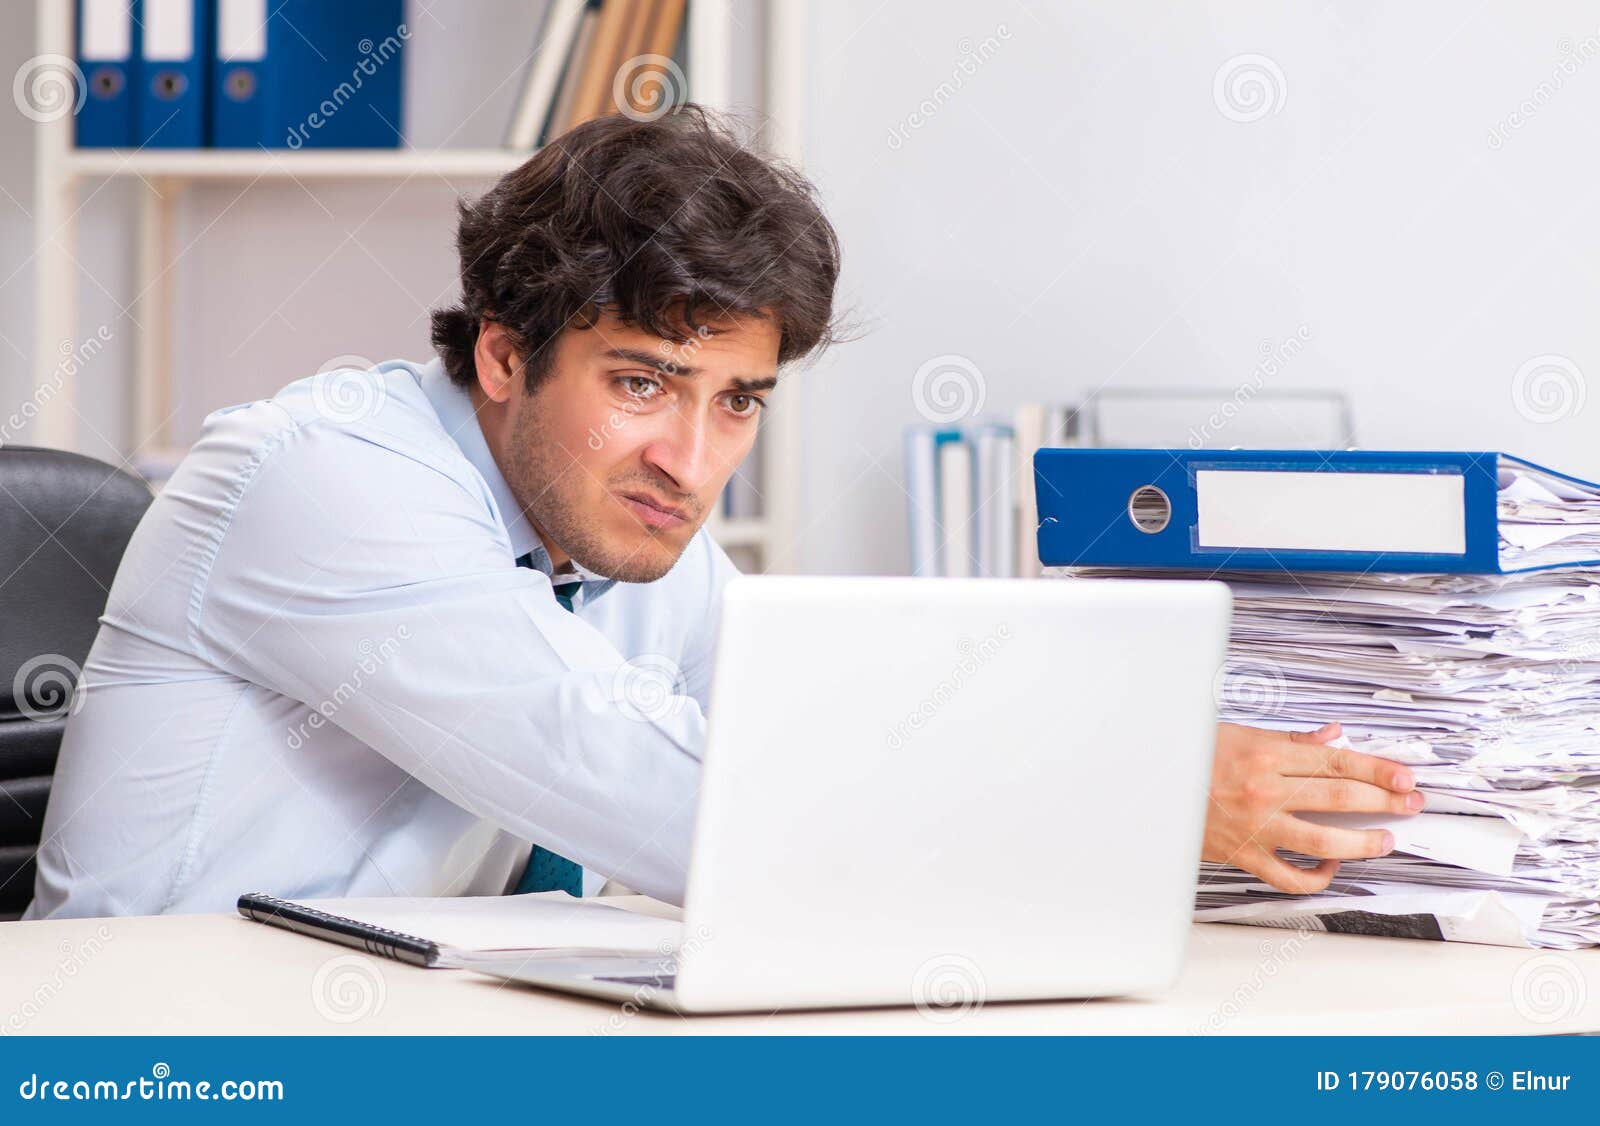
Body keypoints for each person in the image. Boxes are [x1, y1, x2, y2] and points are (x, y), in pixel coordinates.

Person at [25, 106, 1417, 919]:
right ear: (504, 355)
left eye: (739, 400)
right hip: (159, 1050)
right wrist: (1136, 788)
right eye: (642, 382)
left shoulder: (627, 529)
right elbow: (667, 794)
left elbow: (796, 734)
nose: (691, 460)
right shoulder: (326, 477)